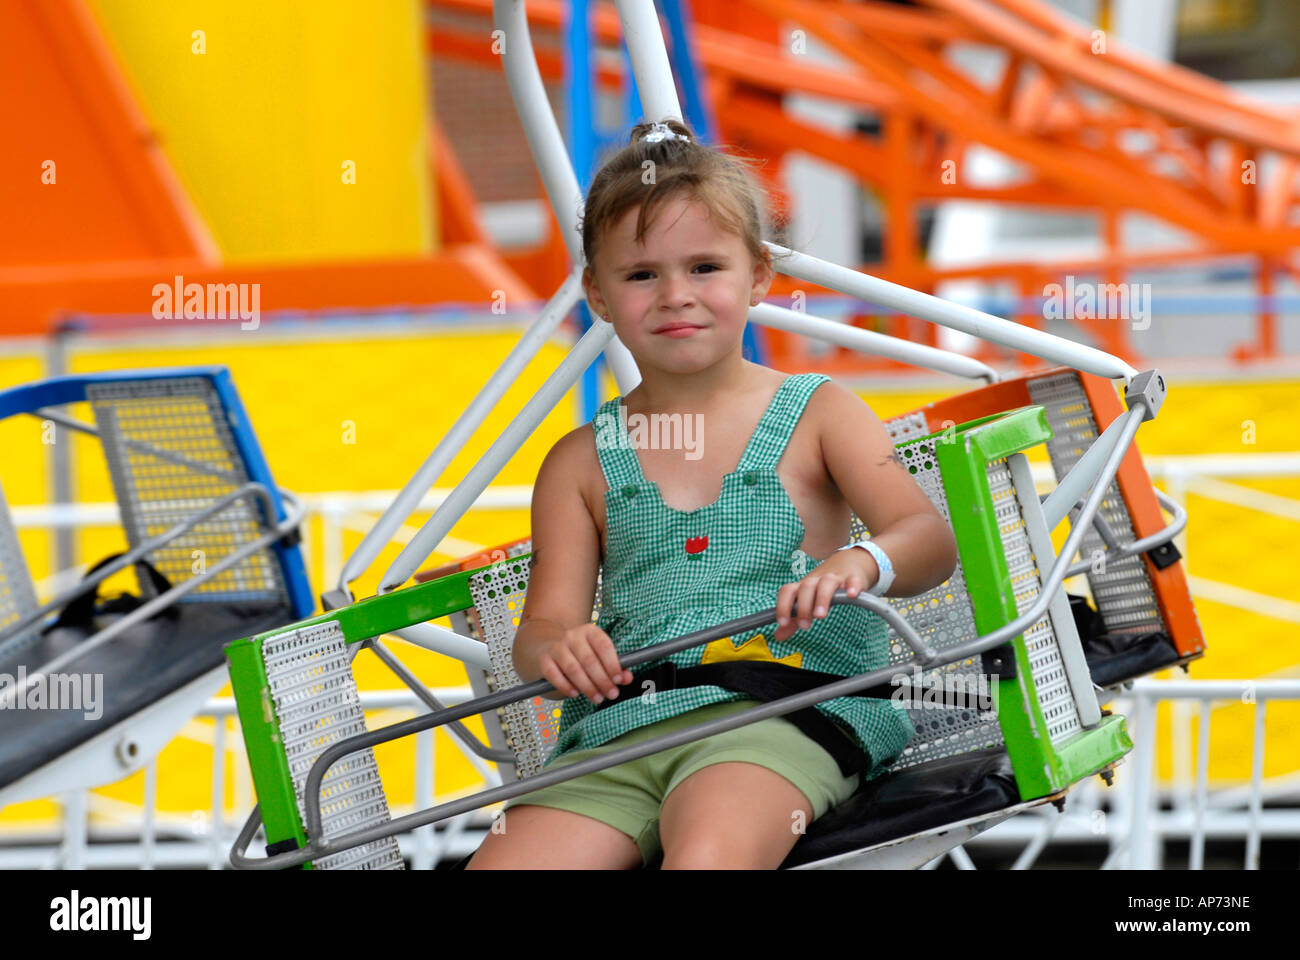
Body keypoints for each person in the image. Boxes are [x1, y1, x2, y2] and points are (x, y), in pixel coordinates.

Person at [466, 118, 957, 870]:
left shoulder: (821, 412)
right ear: (596, 292)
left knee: (708, 858)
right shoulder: (579, 464)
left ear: (757, 275)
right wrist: (559, 648)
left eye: (704, 268)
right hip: (619, 732)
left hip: (782, 712)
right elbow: (544, 625)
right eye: (641, 275)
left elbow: (926, 538)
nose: (674, 296)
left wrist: (861, 564)